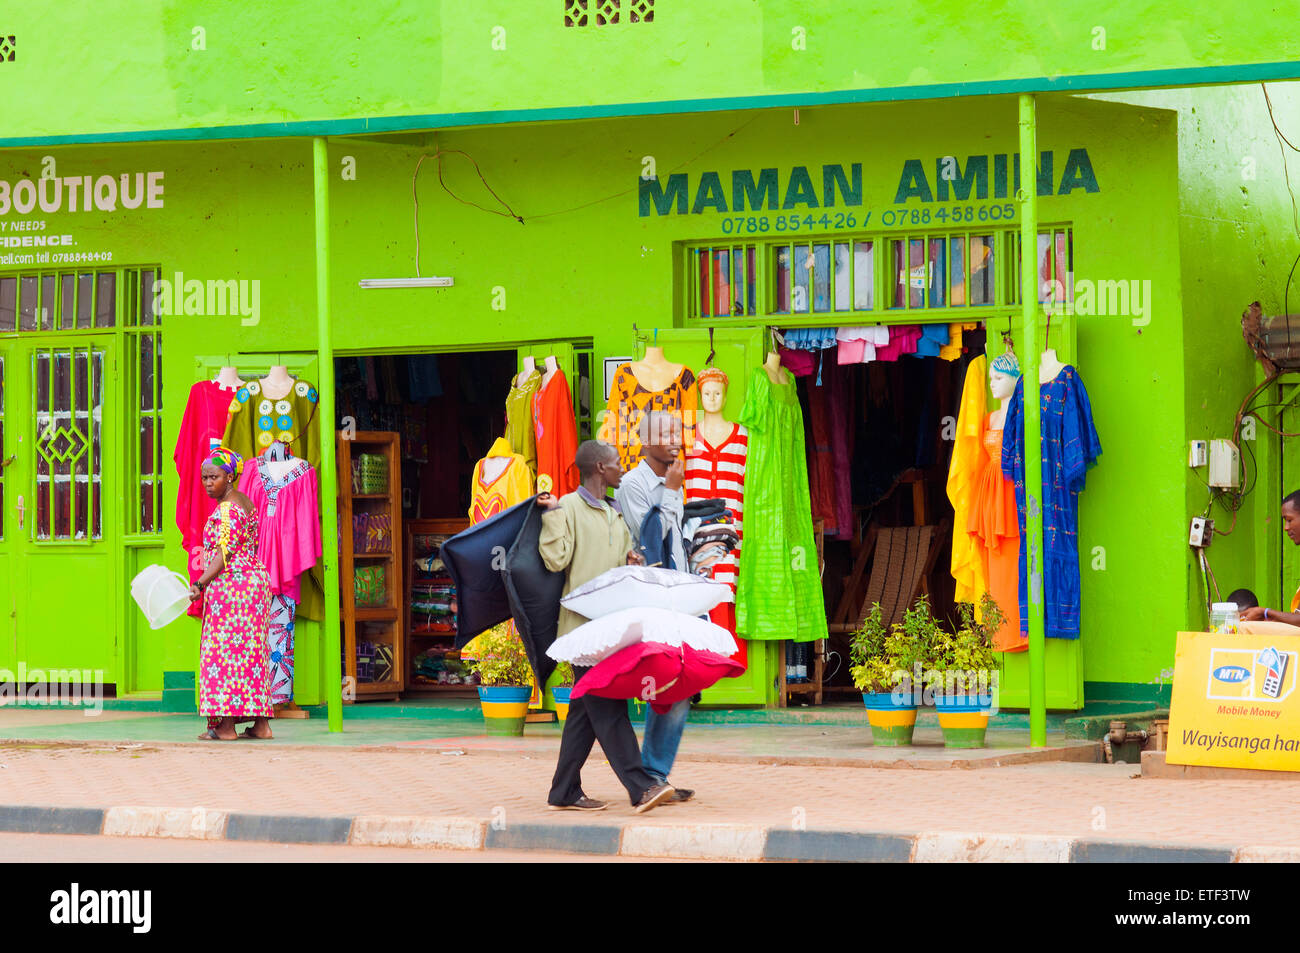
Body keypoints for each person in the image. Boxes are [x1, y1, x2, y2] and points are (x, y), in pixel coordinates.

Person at [539, 439, 675, 814]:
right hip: (582, 632)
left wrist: (632, 561)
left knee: (585, 711)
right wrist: (550, 515)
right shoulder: (567, 506)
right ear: (600, 467)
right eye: (616, 462)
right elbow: (555, 559)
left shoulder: (615, 512)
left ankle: (564, 789)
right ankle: (641, 786)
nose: (622, 467)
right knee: (609, 705)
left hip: (609, 629)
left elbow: (616, 567)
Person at [615, 410, 695, 803]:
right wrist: (669, 492)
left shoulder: (675, 479)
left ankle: (654, 774)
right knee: (662, 683)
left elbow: (678, 539)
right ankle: (649, 775)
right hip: (651, 596)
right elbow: (648, 543)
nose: (676, 437)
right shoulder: (633, 484)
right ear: (645, 442)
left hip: (679, 594)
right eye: (666, 433)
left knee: (680, 683)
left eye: (677, 430)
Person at [188, 447, 275, 741]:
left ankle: (225, 727)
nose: (208, 483)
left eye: (214, 477)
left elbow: (224, 552)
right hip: (253, 585)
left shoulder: (228, 509)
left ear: (230, 476)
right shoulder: (245, 502)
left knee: (222, 656)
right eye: (204, 478)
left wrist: (200, 583)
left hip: (233, 589)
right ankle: (261, 725)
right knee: (250, 655)